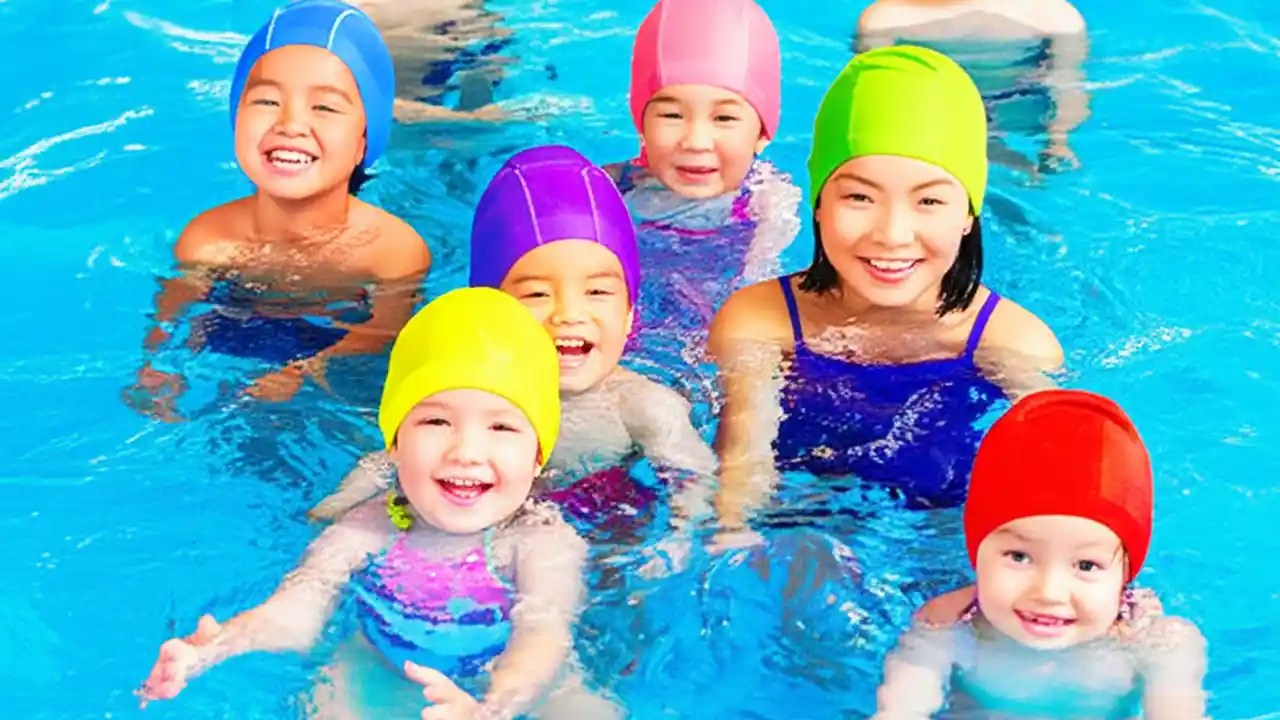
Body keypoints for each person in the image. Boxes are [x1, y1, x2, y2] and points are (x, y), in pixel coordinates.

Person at [138, 287, 620, 719]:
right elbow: (296, 613)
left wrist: (493, 708)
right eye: (436, 423)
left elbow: (542, 636)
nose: (466, 452)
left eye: (502, 427)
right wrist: (216, 647)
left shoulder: (541, 541)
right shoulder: (366, 527)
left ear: (537, 456)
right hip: (380, 669)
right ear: (393, 443)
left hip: (521, 687)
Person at [707, 45, 1063, 542]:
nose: (893, 234)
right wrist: (728, 540)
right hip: (799, 525)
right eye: (859, 196)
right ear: (819, 203)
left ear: (968, 214)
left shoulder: (1012, 343)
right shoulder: (761, 323)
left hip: (945, 535)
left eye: (930, 201)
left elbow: (1062, 486)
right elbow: (743, 468)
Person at [311, 145, 716, 549]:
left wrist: (679, 538)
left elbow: (693, 477)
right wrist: (341, 502)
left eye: (597, 292)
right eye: (538, 295)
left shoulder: (639, 405)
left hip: (602, 525)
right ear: (489, 311)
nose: (569, 314)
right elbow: (396, 452)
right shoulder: (462, 389)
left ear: (629, 315)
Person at [124, 0, 430, 418]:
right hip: (235, 331)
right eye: (267, 102)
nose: (290, 124)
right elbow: (172, 316)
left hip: (340, 355)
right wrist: (160, 366)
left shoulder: (393, 250)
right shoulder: (207, 239)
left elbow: (381, 330)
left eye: (324, 107)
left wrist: (304, 371)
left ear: (364, 140)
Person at [873, 389, 1207, 718]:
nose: (1048, 593)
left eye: (1087, 565)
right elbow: (901, 709)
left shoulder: (1156, 644)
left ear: (1125, 577)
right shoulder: (945, 625)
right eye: (1019, 557)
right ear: (977, 554)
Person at [605, 0, 802, 353]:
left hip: (712, 337)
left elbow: (763, 286)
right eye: (672, 115)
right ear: (641, 123)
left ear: (762, 134)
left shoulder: (766, 197)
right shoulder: (609, 188)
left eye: (724, 119)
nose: (696, 141)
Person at [856, 0, 1090, 175]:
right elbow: (879, 91)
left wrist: (1057, 141)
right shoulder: (885, 18)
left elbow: (1068, 86)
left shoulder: (1055, 17)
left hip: (1015, 102)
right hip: (935, 106)